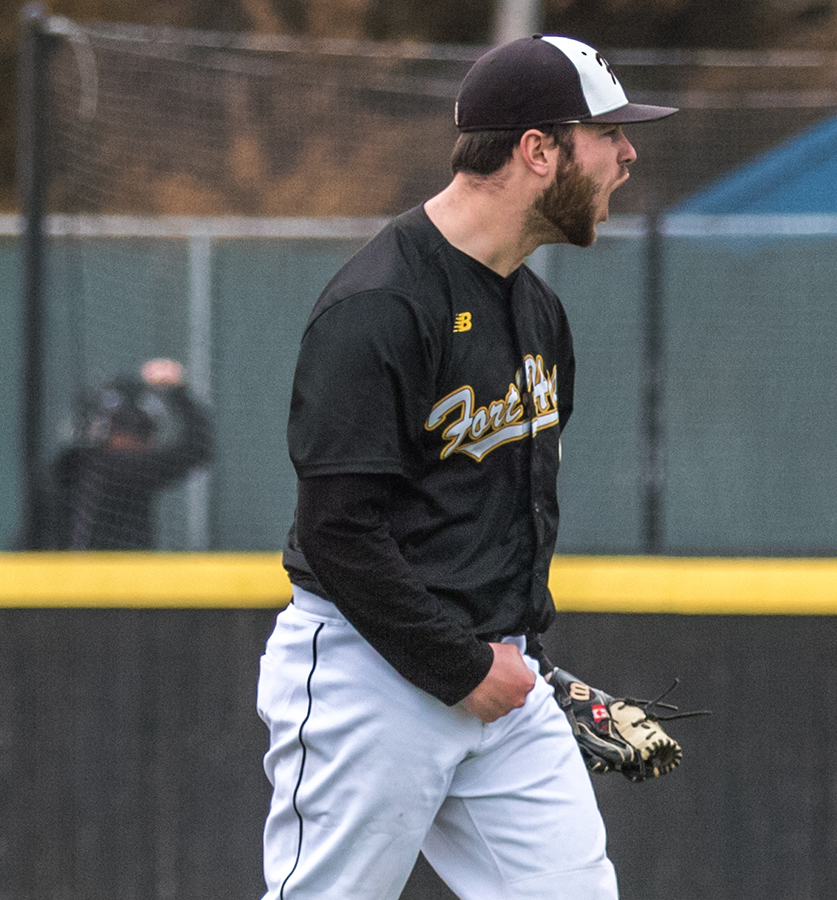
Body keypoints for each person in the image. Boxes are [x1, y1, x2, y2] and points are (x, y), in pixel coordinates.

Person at [254, 34, 677, 900]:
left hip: (499, 683)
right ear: (536, 151)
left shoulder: (539, 312)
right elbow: (338, 534)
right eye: (609, 135)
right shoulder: (379, 305)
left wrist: (525, 653)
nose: (629, 155)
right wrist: (461, 663)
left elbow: (502, 514)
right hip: (369, 673)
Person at [22, 357, 214, 550]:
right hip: (109, 577)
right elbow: (197, 448)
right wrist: (178, 391)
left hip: (63, 576)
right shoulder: (122, 468)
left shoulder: (66, 465)